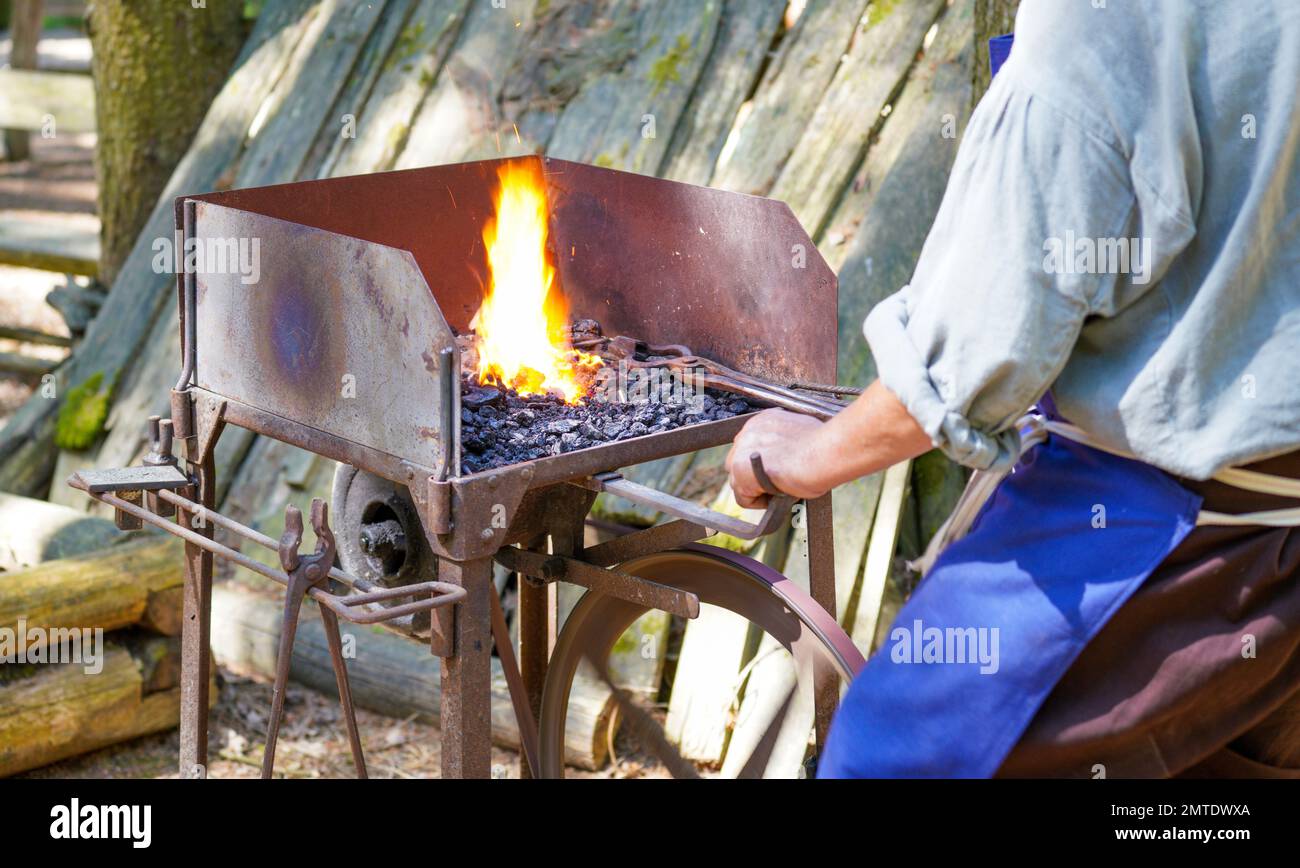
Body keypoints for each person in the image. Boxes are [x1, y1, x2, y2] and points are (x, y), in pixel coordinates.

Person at [726, 0, 1300, 778]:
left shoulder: (1098, 28)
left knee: (884, 757)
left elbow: (971, 360)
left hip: (1166, 517)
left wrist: (798, 458)